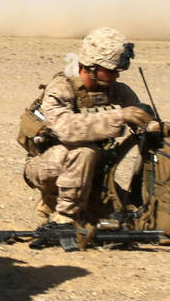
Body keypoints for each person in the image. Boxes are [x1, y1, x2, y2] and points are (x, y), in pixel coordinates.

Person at [22, 27, 157, 225]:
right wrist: (119, 117)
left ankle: (84, 200)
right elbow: (66, 129)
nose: (115, 76)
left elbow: (140, 119)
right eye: (110, 71)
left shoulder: (118, 91)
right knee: (83, 152)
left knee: (127, 217)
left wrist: (153, 127)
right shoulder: (61, 88)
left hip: (93, 174)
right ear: (90, 66)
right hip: (47, 166)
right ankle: (63, 215)